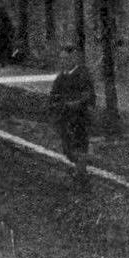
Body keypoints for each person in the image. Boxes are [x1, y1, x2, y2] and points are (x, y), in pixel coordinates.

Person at [49, 44, 96, 184]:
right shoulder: (61, 77)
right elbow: (54, 95)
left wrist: (77, 103)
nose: (64, 61)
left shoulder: (82, 74)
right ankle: (83, 162)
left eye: (66, 58)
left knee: (79, 143)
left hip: (80, 116)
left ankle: (81, 173)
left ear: (73, 58)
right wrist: (54, 105)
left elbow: (88, 94)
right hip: (65, 116)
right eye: (62, 59)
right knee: (68, 148)